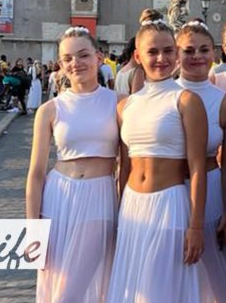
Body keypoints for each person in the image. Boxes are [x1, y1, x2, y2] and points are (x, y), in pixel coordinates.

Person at [107, 17, 207, 303]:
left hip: (169, 205)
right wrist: (117, 214)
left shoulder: (186, 100)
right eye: (152, 52)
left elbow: (197, 167)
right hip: (132, 208)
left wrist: (196, 226)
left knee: (160, 290)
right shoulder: (126, 105)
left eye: (167, 51)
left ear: (176, 54)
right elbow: (123, 165)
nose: (160, 58)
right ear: (138, 56)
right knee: (134, 287)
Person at [26, 26, 119, 303]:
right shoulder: (50, 109)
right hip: (58, 199)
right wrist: (33, 229)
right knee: (56, 282)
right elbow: (35, 173)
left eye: (83, 55)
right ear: (60, 64)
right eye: (68, 58)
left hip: (100, 196)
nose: (75, 63)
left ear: (98, 57)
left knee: (69, 294)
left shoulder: (120, 103)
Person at [177, 19, 226, 303]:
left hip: (212, 187)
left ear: (215, 54)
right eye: (188, 50)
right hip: (171, 190)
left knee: (216, 274)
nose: (197, 57)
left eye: (204, 50)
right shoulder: (163, 94)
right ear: (176, 53)